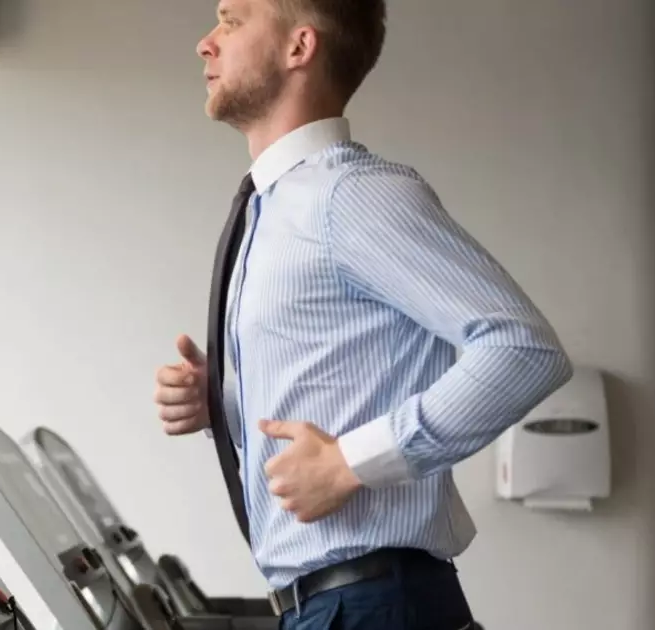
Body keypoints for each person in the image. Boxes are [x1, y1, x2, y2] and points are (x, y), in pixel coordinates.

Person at [153, 0, 574, 628]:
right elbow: (336, 383)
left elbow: (524, 350)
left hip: (371, 604)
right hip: (336, 605)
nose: (205, 43)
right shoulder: (275, 208)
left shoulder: (349, 195)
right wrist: (224, 400)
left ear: (299, 48)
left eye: (233, 20)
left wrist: (353, 462)